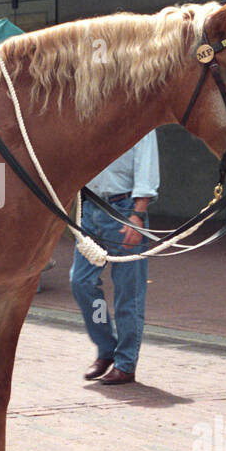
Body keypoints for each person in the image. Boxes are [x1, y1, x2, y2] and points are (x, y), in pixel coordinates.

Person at [70, 132, 160, 385]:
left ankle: (125, 363)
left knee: (127, 294)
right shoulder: (95, 115)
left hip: (124, 212)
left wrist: (138, 215)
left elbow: (147, 168)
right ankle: (106, 345)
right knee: (81, 283)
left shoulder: (142, 122)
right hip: (90, 210)